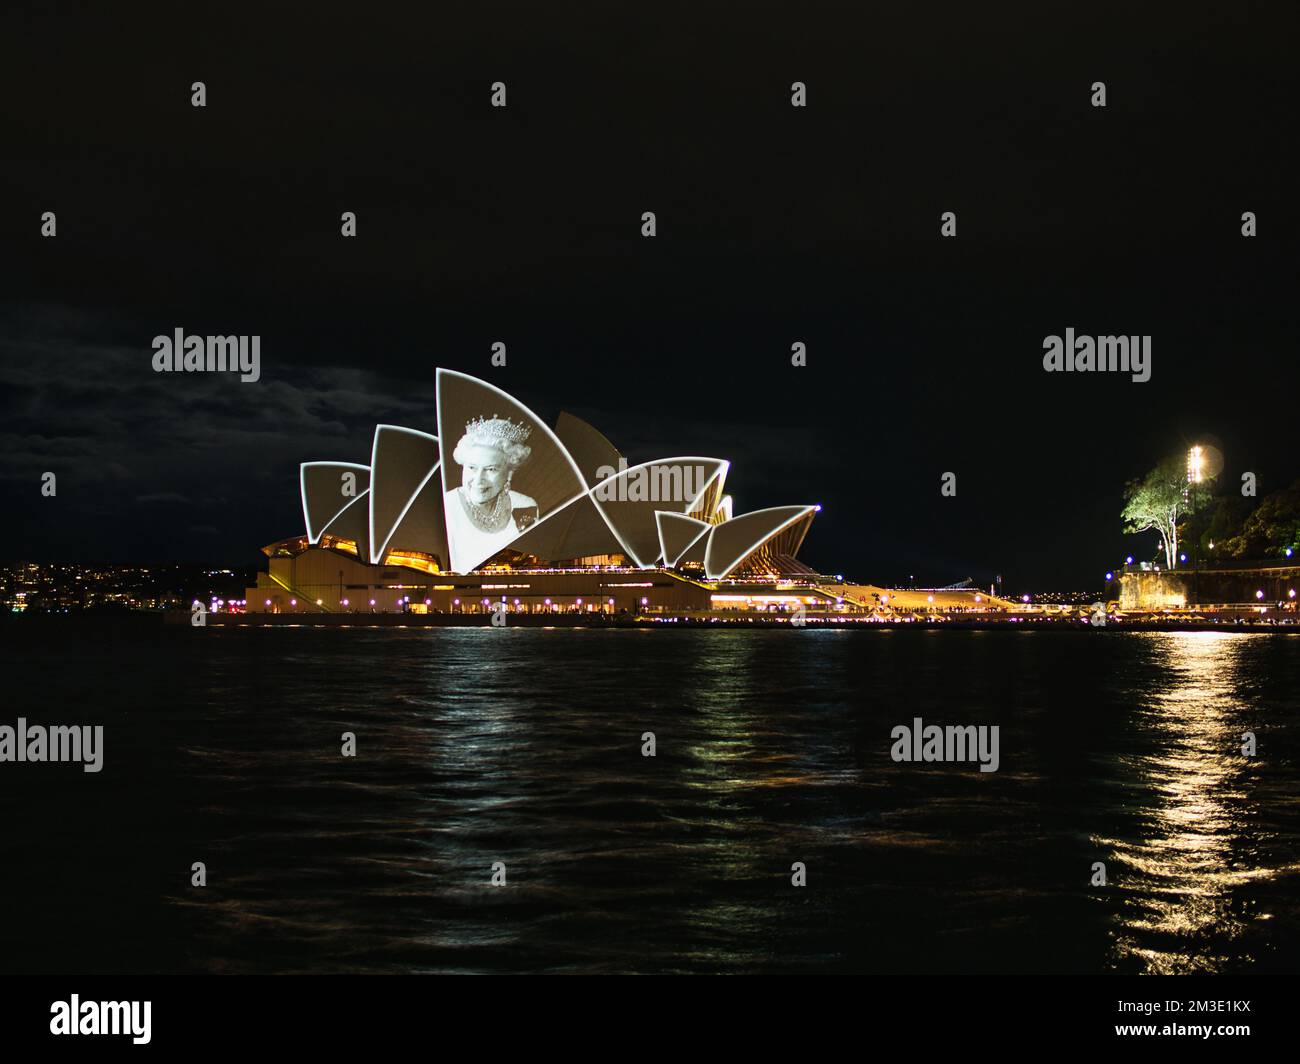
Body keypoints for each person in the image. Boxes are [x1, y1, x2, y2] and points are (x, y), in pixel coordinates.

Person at [443, 416, 540, 570]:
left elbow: (529, 559)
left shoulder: (525, 505)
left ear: (509, 474)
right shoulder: (446, 505)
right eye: (472, 467)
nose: (479, 479)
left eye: (491, 469)